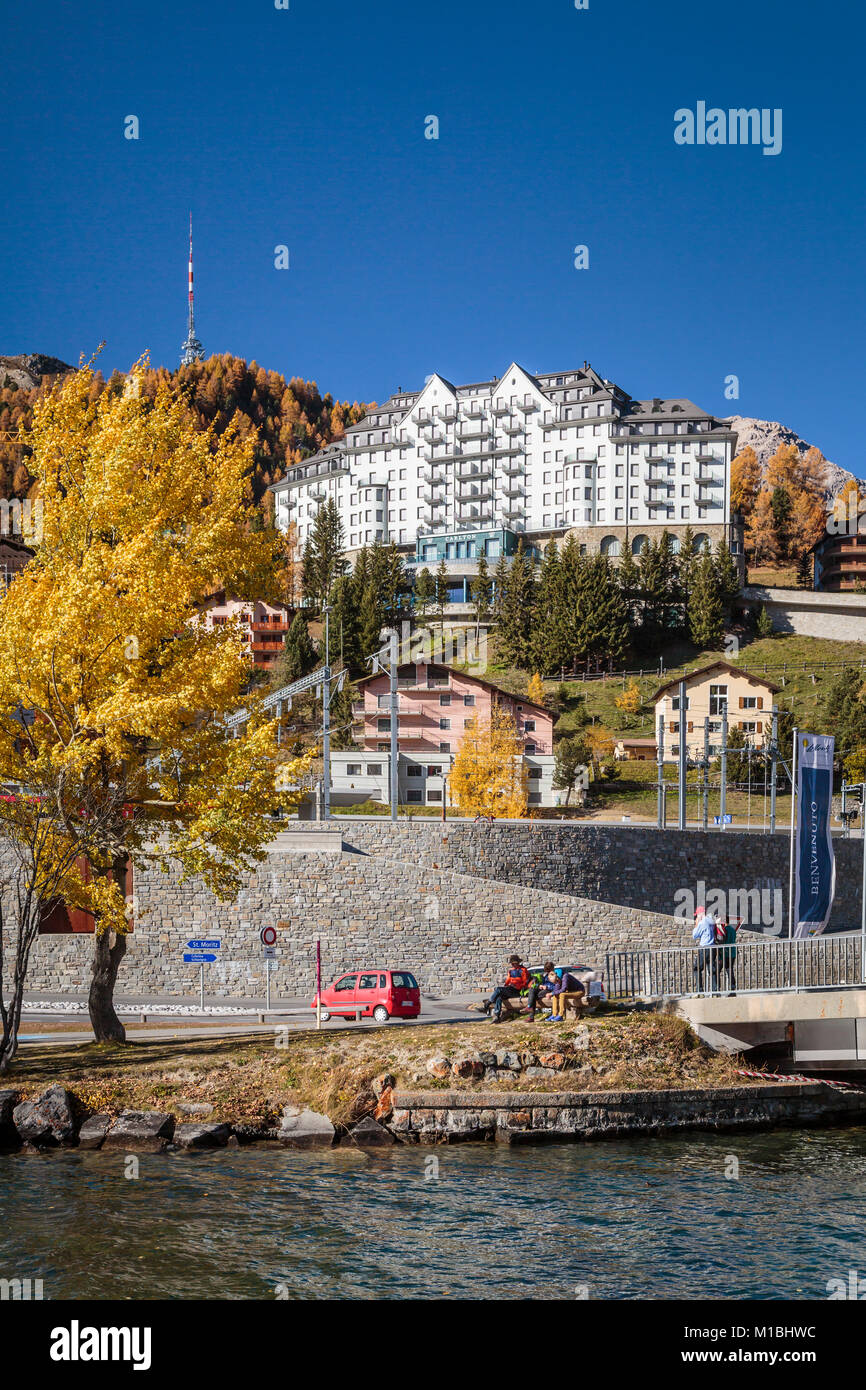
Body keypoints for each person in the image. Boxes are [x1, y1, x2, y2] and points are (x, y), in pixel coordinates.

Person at [483, 955, 530, 1022]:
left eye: (515, 963)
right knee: (499, 997)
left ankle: (487, 1004)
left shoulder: (523, 970)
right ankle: (497, 1016)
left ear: (518, 963)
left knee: (498, 989)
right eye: (512, 963)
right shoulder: (510, 971)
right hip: (510, 989)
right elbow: (507, 981)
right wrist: (506, 987)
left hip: (518, 991)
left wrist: (517, 985)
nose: (513, 965)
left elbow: (525, 982)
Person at [692, 906, 719, 993]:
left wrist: (696, 923)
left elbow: (694, 935)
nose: (696, 917)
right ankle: (715, 991)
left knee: (697, 969)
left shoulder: (702, 922)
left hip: (704, 948)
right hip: (712, 947)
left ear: (700, 914)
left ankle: (699, 991)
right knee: (712, 969)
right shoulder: (711, 921)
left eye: (697, 915)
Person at [718, 916, 739, 994]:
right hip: (732, 953)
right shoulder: (733, 930)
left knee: (717, 971)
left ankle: (717, 988)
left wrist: (719, 955)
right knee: (730, 970)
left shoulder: (724, 930)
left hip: (725, 953)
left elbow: (722, 941)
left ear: (723, 922)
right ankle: (733, 988)